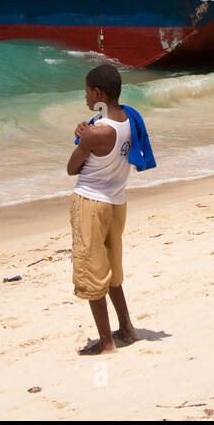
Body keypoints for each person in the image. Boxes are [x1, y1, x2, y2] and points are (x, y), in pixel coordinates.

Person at [66, 63, 155, 355]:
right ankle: (127, 328)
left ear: (99, 92)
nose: (86, 97)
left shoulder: (97, 132)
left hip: (91, 202)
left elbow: (71, 167)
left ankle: (106, 343)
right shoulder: (128, 118)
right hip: (116, 202)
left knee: (92, 272)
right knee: (113, 271)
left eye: (88, 92)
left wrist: (84, 136)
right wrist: (88, 131)